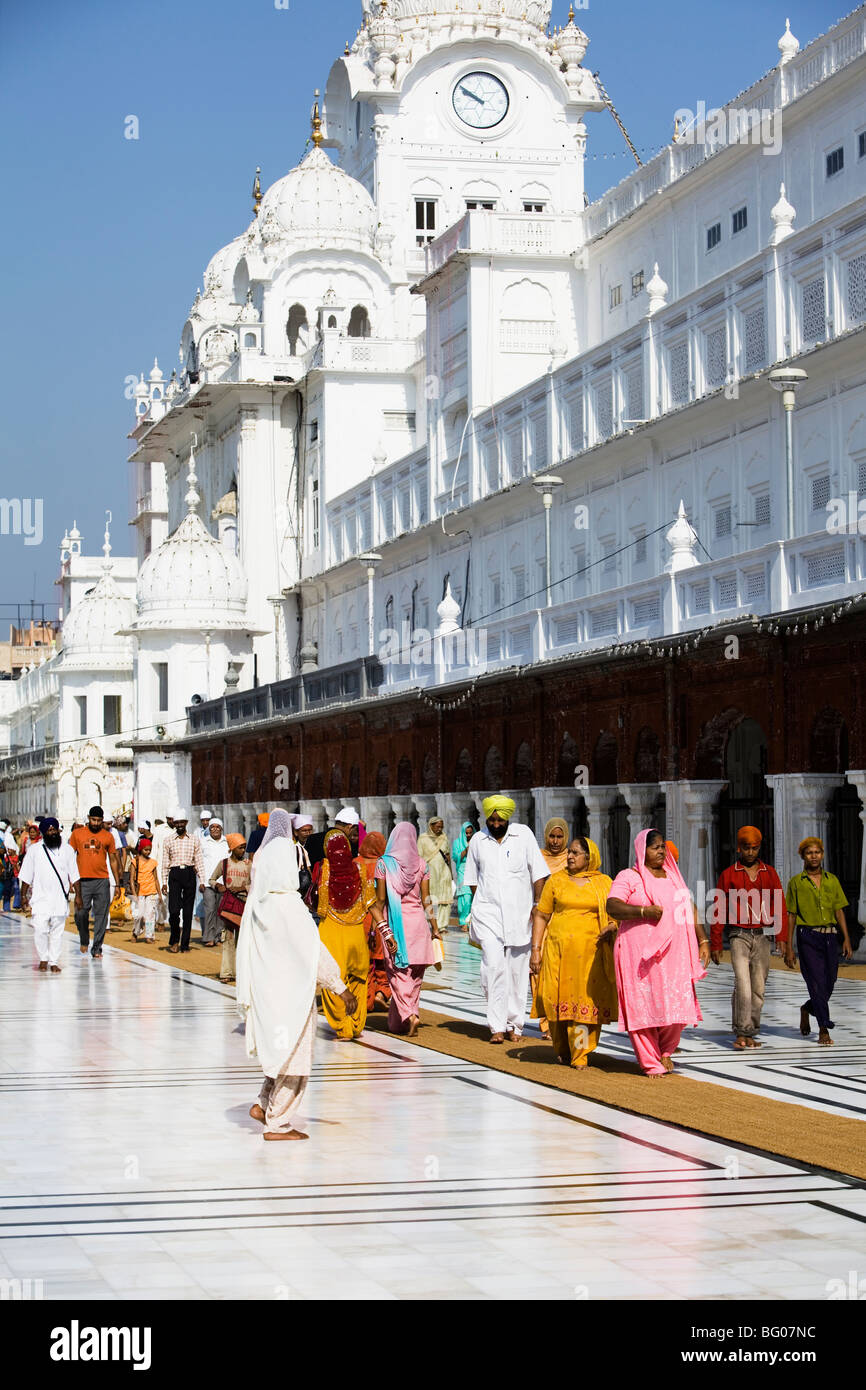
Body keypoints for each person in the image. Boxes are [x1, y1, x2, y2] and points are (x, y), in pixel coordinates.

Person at [236, 809, 357, 1141]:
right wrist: (341, 989)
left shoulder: (259, 905)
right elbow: (313, 953)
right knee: (295, 1054)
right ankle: (278, 1122)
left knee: (281, 1049)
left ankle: (263, 1104)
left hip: (268, 994)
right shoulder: (290, 907)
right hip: (292, 996)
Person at [607, 830, 710, 1077]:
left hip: (674, 956)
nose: (661, 851)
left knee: (676, 1004)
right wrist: (643, 912)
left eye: (662, 847)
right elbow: (612, 905)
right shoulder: (629, 876)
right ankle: (650, 1061)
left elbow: (689, 908)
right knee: (642, 1006)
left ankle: (664, 1051)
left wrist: (703, 939)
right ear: (643, 849)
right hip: (639, 955)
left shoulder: (673, 877)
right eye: (655, 847)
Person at [463, 795, 549, 1043]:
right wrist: (480, 907)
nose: (496, 823)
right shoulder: (478, 840)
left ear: (508, 818)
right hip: (488, 915)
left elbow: (539, 873)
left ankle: (515, 1024)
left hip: (520, 915)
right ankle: (496, 1026)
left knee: (517, 972)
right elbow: (471, 881)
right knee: (493, 967)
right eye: (492, 819)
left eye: (500, 819)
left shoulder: (523, 835)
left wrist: (536, 904)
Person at [530, 836, 617, 1068]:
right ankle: (563, 1047)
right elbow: (542, 915)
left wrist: (612, 926)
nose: (569, 856)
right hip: (558, 953)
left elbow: (614, 914)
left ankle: (581, 1052)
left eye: (575, 853)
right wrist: (535, 949)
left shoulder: (604, 882)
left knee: (585, 1006)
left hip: (591, 957)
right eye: (569, 852)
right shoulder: (557, 880)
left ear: (589, 858)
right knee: (556, 1000)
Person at [711, 826, 793, 1049]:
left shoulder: (770, 873)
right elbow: (718, 909)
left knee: (758, 987)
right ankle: (741, 1031)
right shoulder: (729, 874)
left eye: (754, 848)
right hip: (738, 935)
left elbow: (779, 906)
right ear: (739, 848)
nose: (750, 852)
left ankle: (751, 1031)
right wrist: (716, 942)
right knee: (743, 984)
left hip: (763, 936)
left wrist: (782, 939)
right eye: (746, 848)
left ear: (759, 848)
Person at [369, 822, 440, 1037]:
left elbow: (380, 901)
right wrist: (435, 928)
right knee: (415, 975)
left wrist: (375, 929)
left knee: (398, 975)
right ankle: (400, 1021)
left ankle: (410, 1015)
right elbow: (426, 899)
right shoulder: (422, 864)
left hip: (396, 923)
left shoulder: (384, 864)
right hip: (418, 924)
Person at [786, 837, 852, 1046]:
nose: (814, 856)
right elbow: (791, 915)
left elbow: (839, 910)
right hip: (808, 936)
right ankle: (824, 1028)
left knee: (829, 982)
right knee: (815, 982)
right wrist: (789, 947)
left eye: (817, 852)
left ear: (822, 854)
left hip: (830, 936)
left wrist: (847, 939)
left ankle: (807, 1009)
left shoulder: (832, 880)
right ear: (803, 856)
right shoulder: (796, 882)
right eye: (809, 853)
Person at [318, 831, 370, 1039]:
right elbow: (369, 901)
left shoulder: (324, 869)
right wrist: (384, 930)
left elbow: (321, 907)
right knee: (358, 977)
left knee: (333, 976)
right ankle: (356, 1025)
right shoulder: (360, 868)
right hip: (356, 930)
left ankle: (342, 1027)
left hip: (331, 929)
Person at [18, 817, 81, 973]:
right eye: (49, 830)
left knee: (57, 932)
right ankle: (43, 958)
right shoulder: (34, 850)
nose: (52, 832)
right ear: (44, 832)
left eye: (54, 830)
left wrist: (79, 896)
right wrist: (23, 896)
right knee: (39, 929)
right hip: (40, 898)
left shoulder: (67, 850)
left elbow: (74, 875)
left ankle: (53, 961)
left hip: (60, 898)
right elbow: (26, 875)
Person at [533, 818, 571, 1038]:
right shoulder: (537, 857)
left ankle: (560, 1019)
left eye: (559, 837)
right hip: (541, 920)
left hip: (564, 921)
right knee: (539, 971)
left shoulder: (572, 858)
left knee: (561, 972)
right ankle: (546, 1022)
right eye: (552, 836)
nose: (555, 841)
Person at [69, 806, 123, 960]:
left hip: (102, 880)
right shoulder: (77, 834)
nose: (96, 823)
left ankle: (97, 947)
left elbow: (113, 860)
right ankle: (84, 938)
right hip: (82, 880)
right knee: (80, 913)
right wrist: (70, 880)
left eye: (99, 820)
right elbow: (68, 857)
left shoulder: (108, 836)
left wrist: (118, 883)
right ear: (88, 818)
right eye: (93, 820)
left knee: (101, 916)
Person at [161, 810, 204, 954]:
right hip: (174, 874)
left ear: (186, 823)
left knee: (187, 912)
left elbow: (198, 861)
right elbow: (165, 863)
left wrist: (202, 881)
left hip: (189, 874)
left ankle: (184, 944)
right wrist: (164, 882)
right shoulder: (168, 840)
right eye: (177, 822)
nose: (179, 825)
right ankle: (174, 940)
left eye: (182, 822)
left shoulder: (193, 839)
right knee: (173, 911)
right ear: (174, 823)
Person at [210, 834, 250, 983]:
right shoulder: (224, 864)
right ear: (232, 848)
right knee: (228, 939)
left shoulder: (248, 864)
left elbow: (255, 883)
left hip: (244, 906)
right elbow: (211, 879)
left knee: (243, 940)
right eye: (240, 848)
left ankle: (242, 973)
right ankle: (227, 972)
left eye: (244, 847)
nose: (243, 850)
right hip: (229, 906)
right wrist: (218, 886)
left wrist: (242, 887)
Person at [357, 831, 390, 1011]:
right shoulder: (383, 865)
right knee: (383, 962)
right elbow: (383, 897)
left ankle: (367, 1000)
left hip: (359, 920)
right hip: (380, 917)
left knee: (366, 962)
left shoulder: (355, 864)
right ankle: (381, 993)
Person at [417, 816, 453, 933]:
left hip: (443, 872)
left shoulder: (444, 838)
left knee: (444, 899)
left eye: (441, 827)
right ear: (431, 826)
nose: (439, 829)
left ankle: (442, 926)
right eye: (437, 827)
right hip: (430, 873)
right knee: (430, 899)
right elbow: (419, 857)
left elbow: (447, 856)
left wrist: (451, 873)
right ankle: (430, 923)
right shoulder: (423, 839)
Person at [198, 817, 229, 946]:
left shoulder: (227, 842)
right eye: (212, 827)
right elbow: (198, 862)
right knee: (210, 909)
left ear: (221, 828)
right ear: (209, 829)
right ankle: (209, 937)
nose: (215, 829)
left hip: (223, 882)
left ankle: (217, 937)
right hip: (208, 882)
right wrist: (201, 881)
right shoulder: (203, 842)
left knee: (220, 911)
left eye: (217, 827)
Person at [129, 839, 163, 943]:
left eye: (149, 850)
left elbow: (156, 878)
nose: (148, 852)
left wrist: (159, 893)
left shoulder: (153, 863)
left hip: (151, 892)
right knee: (139, 915)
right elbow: (131, 879)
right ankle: (136, 931)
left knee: (150, 915)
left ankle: (149, 935)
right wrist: (134, 893)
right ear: (141, 849)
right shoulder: (135, 861)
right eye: (146, 850)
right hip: (139, 892)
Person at [451, 821, 474, 930]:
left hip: (473, 870)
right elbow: (455, 857)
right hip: (462, 870)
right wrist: (466, 850)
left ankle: (469, 922)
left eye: (470, 833)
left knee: (471, 897)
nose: (468, 835)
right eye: (466, 833)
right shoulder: (457, 843)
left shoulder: (475, 841)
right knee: (465, 897)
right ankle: (462, 921)